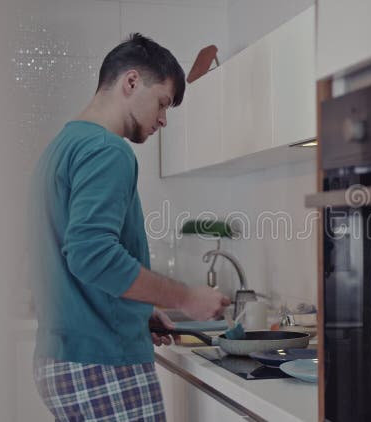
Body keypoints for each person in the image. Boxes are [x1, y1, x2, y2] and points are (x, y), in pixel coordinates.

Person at [29, 33, 230, 421]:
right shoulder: (108, 150)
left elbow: (70, 259)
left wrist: (137, 311)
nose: (163, 120)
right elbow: (91, 255)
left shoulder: (60, 148)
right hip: (103, 361)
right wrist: (186, 297)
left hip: (63, 356)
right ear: (132, 82)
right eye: (162, 102)